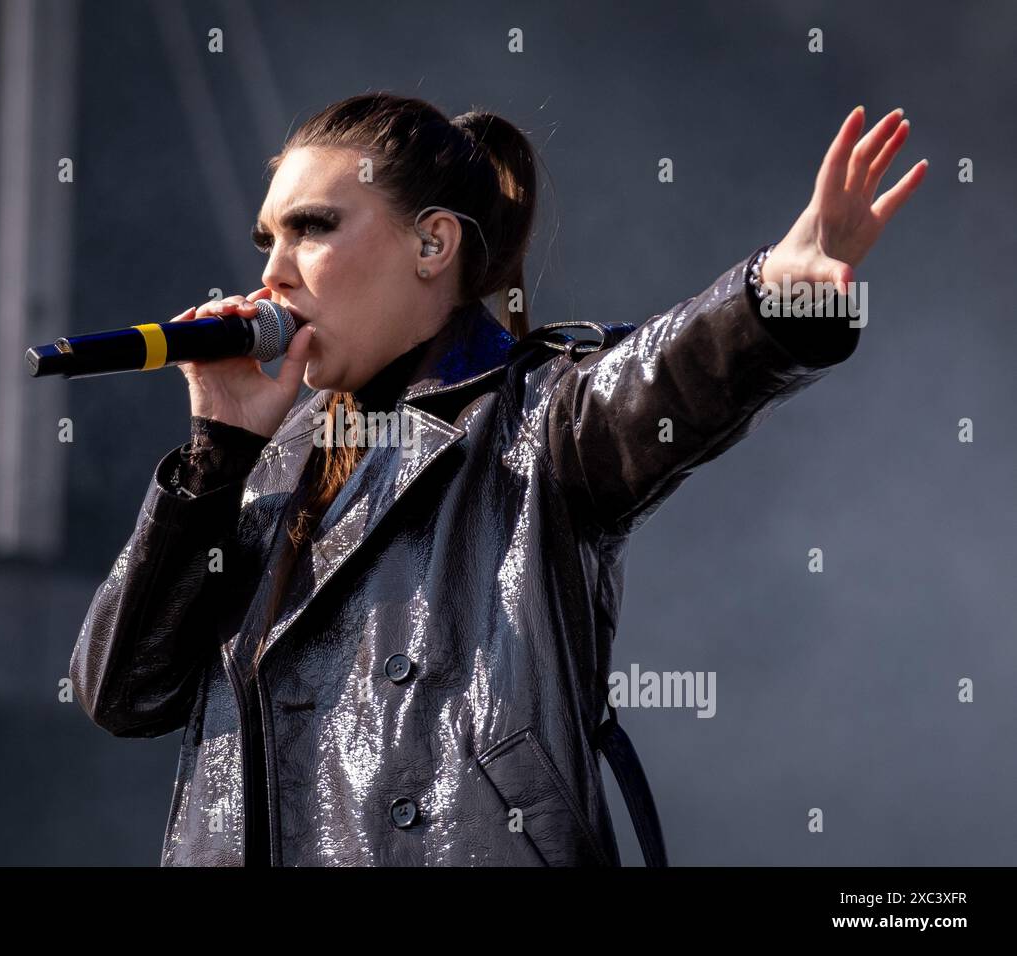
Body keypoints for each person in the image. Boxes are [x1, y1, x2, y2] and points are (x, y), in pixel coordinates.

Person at [69, 93, 925, 866]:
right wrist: (218, 450)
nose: (274, 273)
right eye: (269, 239)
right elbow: (121, 692)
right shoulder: (263, 470)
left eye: (313, 227)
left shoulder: (540, 422)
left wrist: (774, 293)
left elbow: (664, 380)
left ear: (432, 243)